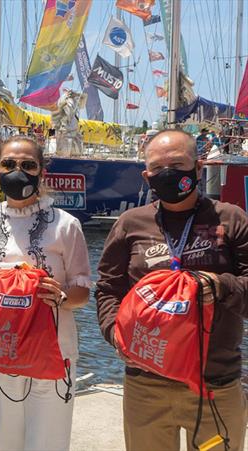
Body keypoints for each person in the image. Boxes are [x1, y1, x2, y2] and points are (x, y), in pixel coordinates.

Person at [96, 129, 248, 451]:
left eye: (177, 165)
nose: (168, 173)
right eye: (158, 168)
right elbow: (109, 288)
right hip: (146, 384)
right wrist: (114, 333)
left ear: (198, 168)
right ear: (147, 177)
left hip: (215, 385)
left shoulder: (232, 219)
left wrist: (222, 286)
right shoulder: (130, 223)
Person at [0, 136, 92, 451]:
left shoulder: (66, 226)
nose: (17, 171)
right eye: (8, 164)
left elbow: (83, 291)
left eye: (27, 165)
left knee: (48, 442)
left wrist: (61, 295)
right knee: (7, 439)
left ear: (41, 172)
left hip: (54, 352)